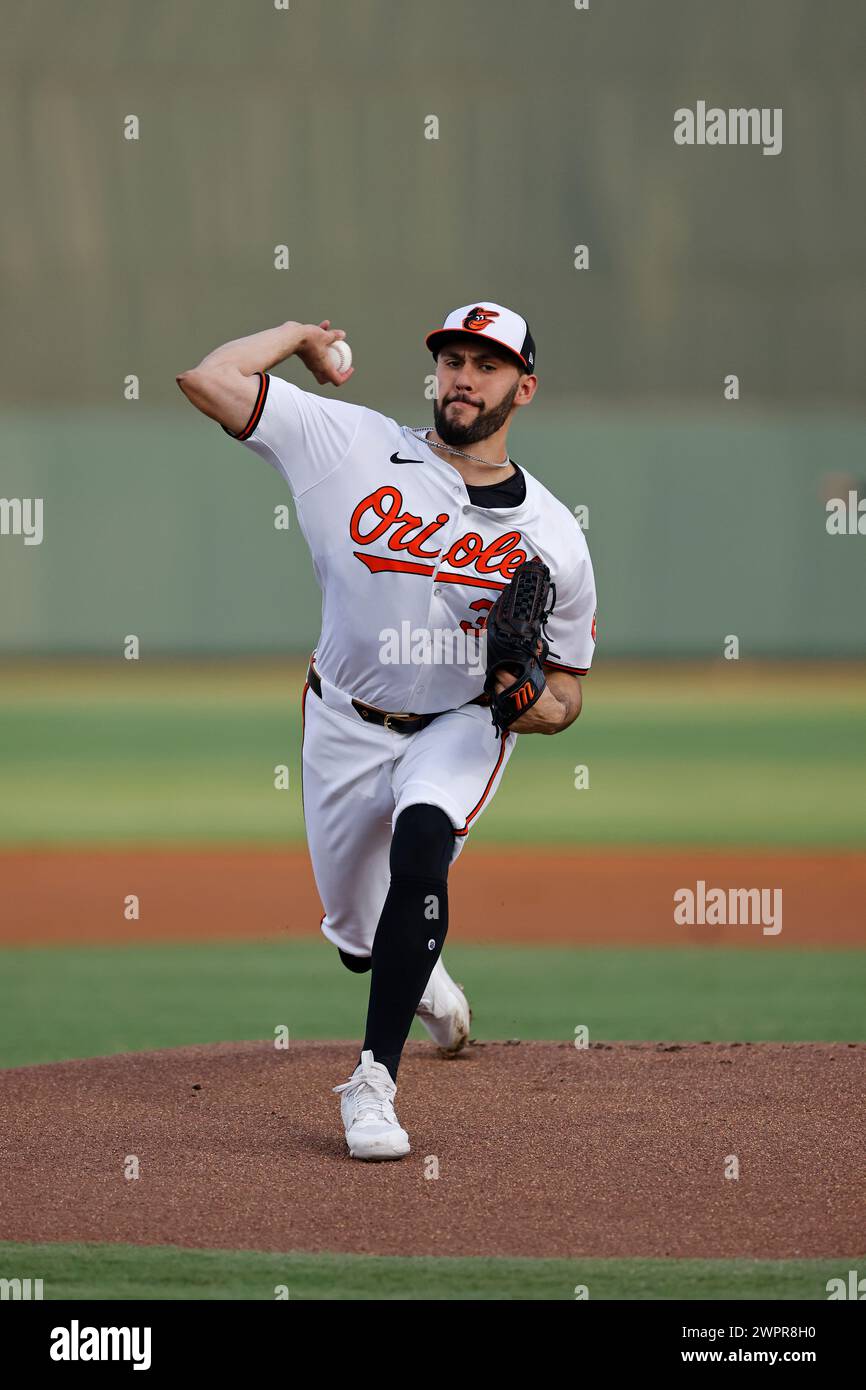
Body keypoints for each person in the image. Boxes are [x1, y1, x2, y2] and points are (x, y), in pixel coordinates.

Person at [177, 301, 597, 1160]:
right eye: (452, 360)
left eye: (487, 364)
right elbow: (210, 380)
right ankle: (424, 979)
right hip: (341, 717)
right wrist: (296, 341)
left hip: (459, 721)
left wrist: (526, 707)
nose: (465, 378)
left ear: (525, 386)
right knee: (359, 942)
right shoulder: (355, 445)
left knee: (421, 848)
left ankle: (373, 1083)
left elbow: (565, 696)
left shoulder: (553, 535)